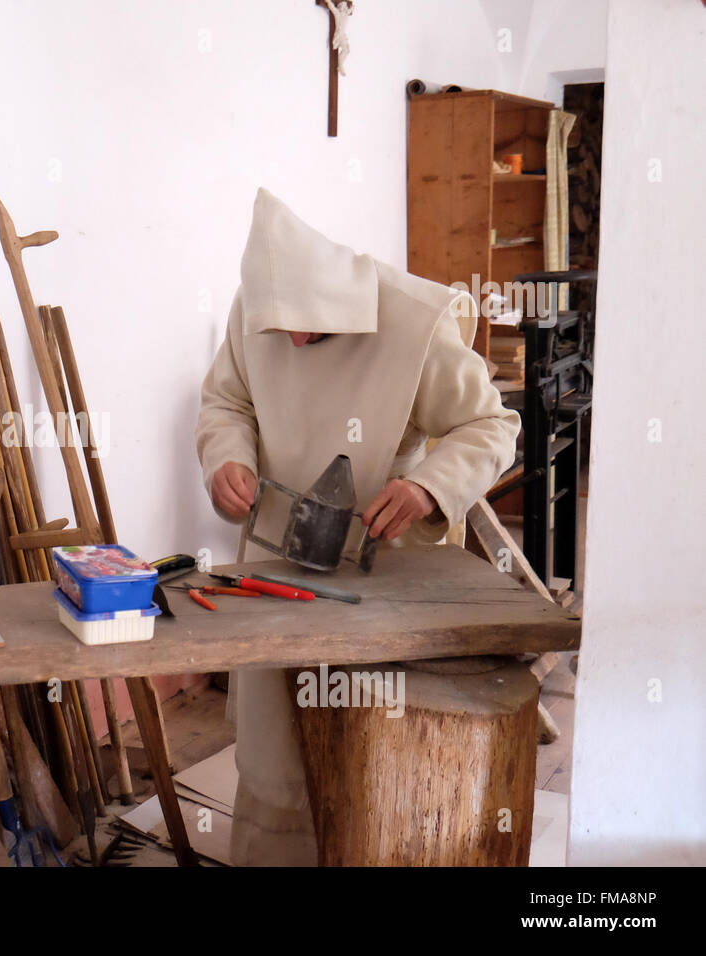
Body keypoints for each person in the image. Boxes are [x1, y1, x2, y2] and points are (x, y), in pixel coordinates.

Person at [195, 188, 520, 865]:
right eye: (278, 330)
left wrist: (430, 486)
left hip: (382, 568)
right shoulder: (256, 310)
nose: (293, 342)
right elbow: (227, 400)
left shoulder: (412, 320)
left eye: (309, 329)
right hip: (274, 567)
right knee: (276, 751)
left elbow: (492, 425)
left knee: (376, 752)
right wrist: (227, 458)